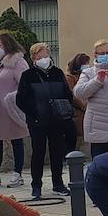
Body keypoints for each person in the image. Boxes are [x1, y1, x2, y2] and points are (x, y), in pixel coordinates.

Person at [16, 43, 74, 199]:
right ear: (33, 58)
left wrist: (64, 110)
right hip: (37, 122)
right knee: (38, 154)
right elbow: (20, 100)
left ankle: (58, 184)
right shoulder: (28, 75)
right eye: (40, 57)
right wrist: (33, 114)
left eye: (46, 56)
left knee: (57, 153)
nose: (44, 59)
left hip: (57, 120)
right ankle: (36, 186)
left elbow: (67, 93)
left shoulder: (57, 73)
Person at [0, 32, 28, 187]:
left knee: (16, 139)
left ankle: (18, 174)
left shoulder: (18, 63)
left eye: (0, 46)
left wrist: (12, 99)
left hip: (10, 109)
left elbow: (25, 85)